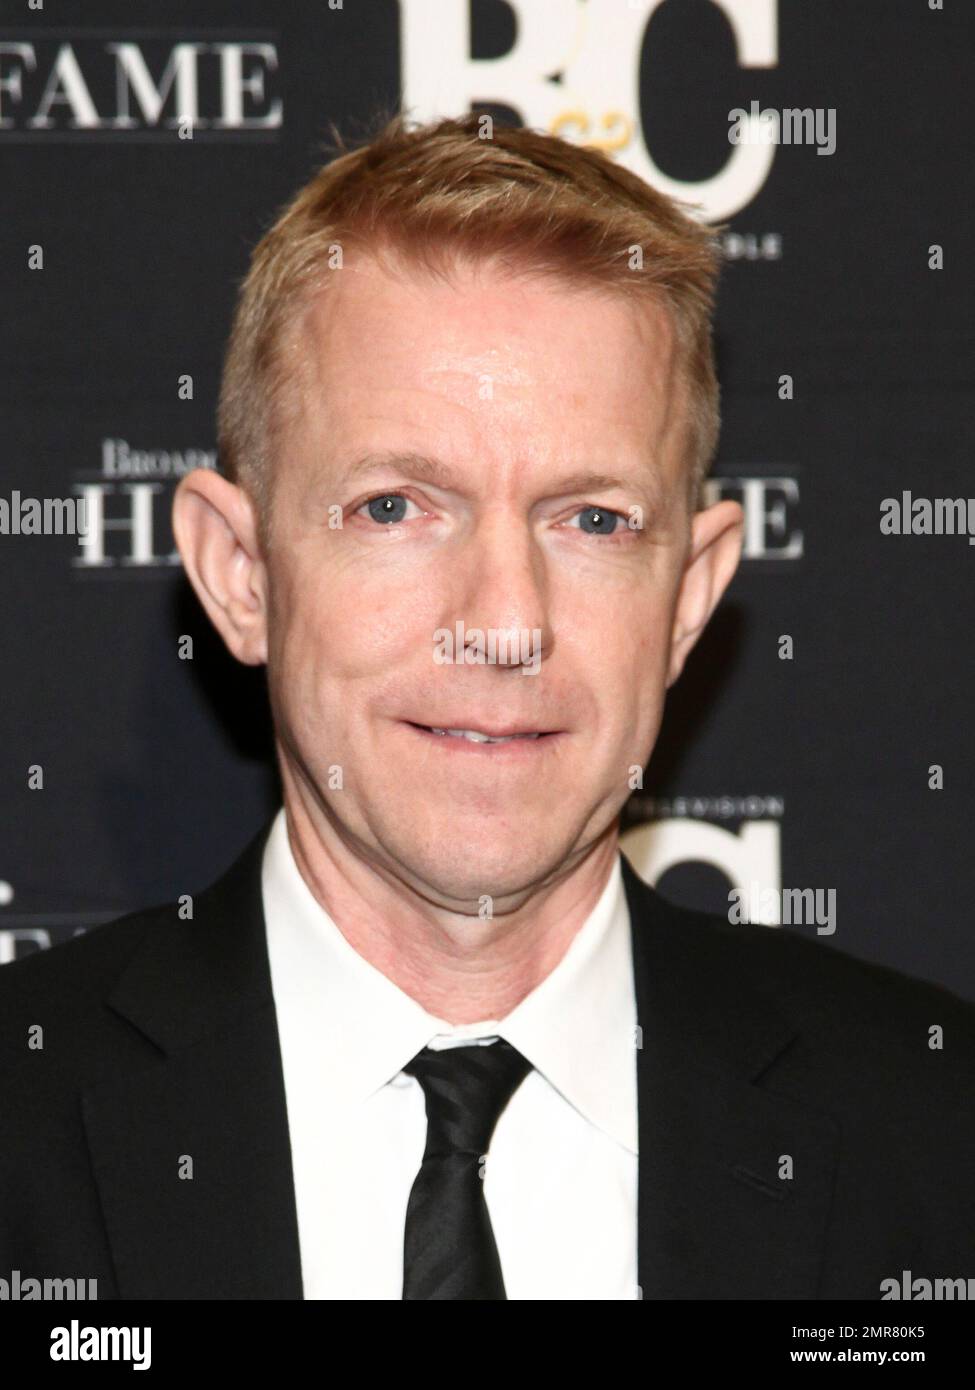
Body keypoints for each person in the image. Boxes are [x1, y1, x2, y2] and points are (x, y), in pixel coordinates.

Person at [2, 113, 973, 1301]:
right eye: (398, 507)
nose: (505, 620)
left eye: (594, 520)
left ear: (689, 599)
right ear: (241, 573)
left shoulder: (936, 1141)